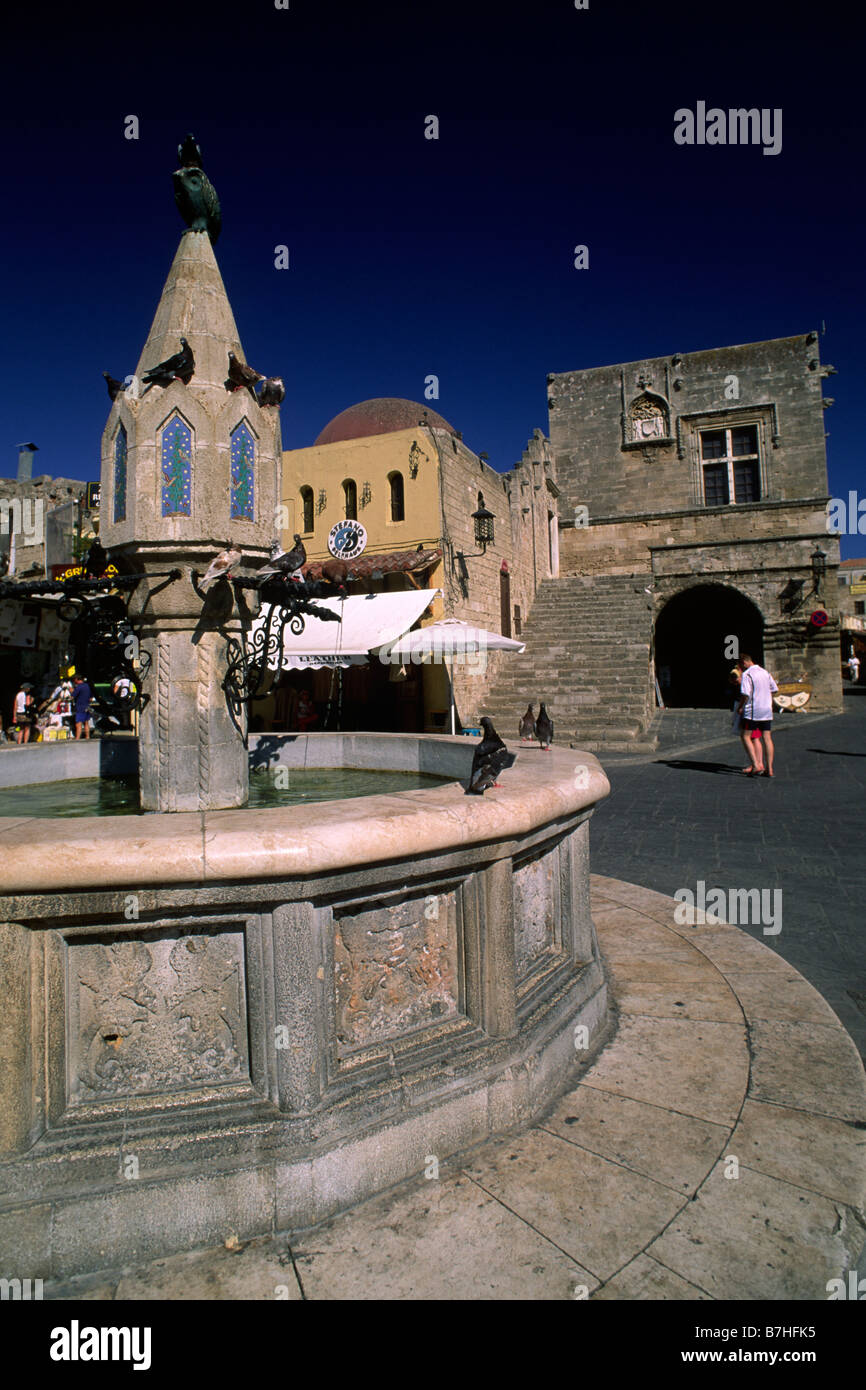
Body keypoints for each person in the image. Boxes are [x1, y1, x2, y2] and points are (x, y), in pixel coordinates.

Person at [739, 654, 778, 777]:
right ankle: (770, 768)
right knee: (767, 737)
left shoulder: (747, 674)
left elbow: (745, 694)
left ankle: (755, 764)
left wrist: (740, 707)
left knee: (745, 736)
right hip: (767, 709)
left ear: (744, 663)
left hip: (753, 709)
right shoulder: (765, 672)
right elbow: (774, 689)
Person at [73, 675, 93, 740]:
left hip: (80, 706)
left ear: (77, 679)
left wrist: (71, 690)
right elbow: (91, 698)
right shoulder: (88, 686)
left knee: (78, 723)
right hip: (87, 706)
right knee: (86, 722)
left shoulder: (79, 687)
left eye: (74, 679)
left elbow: (72, 696)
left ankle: (77, 737)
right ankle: (87, 736)